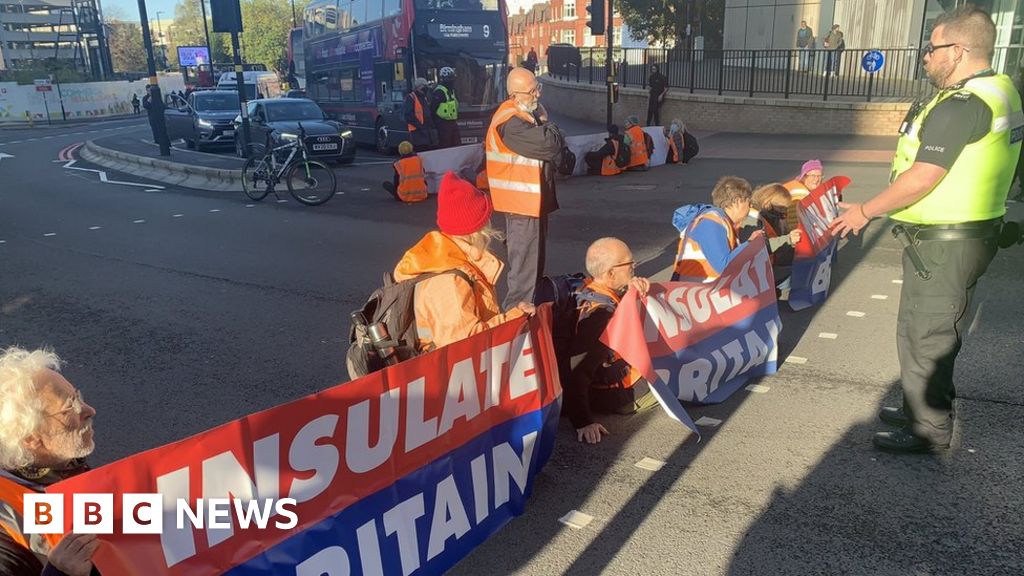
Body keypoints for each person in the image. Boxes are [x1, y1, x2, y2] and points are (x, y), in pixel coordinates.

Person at [832, 6, 1023, 454]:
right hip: (963, 235)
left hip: (949, 241)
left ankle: (928, 430)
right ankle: (919, 406)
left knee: (928, 334)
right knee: (923, 329)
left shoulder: (966, 104)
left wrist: (865, 211)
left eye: (932, 48)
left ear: (958, 51)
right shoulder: (999, 91)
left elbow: (923, 176)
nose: (925, 56)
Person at [392, 172, 535, 352]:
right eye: (486, 218)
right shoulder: (449, 279)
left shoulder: (448, 258)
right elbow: (465, 345)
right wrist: (516, 317)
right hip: (447, 375)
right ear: (477, 229)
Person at [0, 347, 101, 576]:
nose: (89, 410)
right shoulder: (4, 528)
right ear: (31, 437)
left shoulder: (64, 466)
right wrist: (59, 572)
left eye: (78, 397)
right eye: (70, 408)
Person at [486, 66, 565, 309]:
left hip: (531, 204)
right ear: (515, 96)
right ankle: (515, 326)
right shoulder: (510, 122)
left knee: (532, 269)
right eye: (532, 92)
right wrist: (548, 124)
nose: (537, 95)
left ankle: (531, 317)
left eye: (537, 88)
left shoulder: (523, 116)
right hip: (522, 207)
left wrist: (544, 125)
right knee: (524, 275)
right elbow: (551, 145)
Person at [566, 238, 652, 444]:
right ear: (610, 274)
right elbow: (577, 369)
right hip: (617, 394)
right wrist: (583, 422)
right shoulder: (600, 316)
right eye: (629, 264)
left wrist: (630, 288)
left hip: (606, 382)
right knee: (675, 378)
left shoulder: (587, 288)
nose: (634, 267)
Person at [671, 176, 759, 282]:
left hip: (701, 291)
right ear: (737, 201)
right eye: (749, 203)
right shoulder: (711, 223)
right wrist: (750, 242)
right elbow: (724, 267)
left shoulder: (722, 222)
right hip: (697, 291)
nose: (750, 208)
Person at [431, 67, 462, 148]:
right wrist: (436, 122)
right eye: (449, 78)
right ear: (443, 79)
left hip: (452, 122)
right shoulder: (439, 92)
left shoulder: (451, 91)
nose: (451, 80)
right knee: (445, 145)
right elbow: (432, 108)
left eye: (452, 78)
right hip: (443, 123)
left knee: (457, 144)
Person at [404, 77, 436, 151]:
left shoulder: (424, 98)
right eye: (424, 86)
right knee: (420, 150)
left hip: (425, 130)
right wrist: (420, 126)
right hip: (416, 131)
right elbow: (408, 115)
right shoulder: (411, 97)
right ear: (418, 87)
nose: (426, 89)